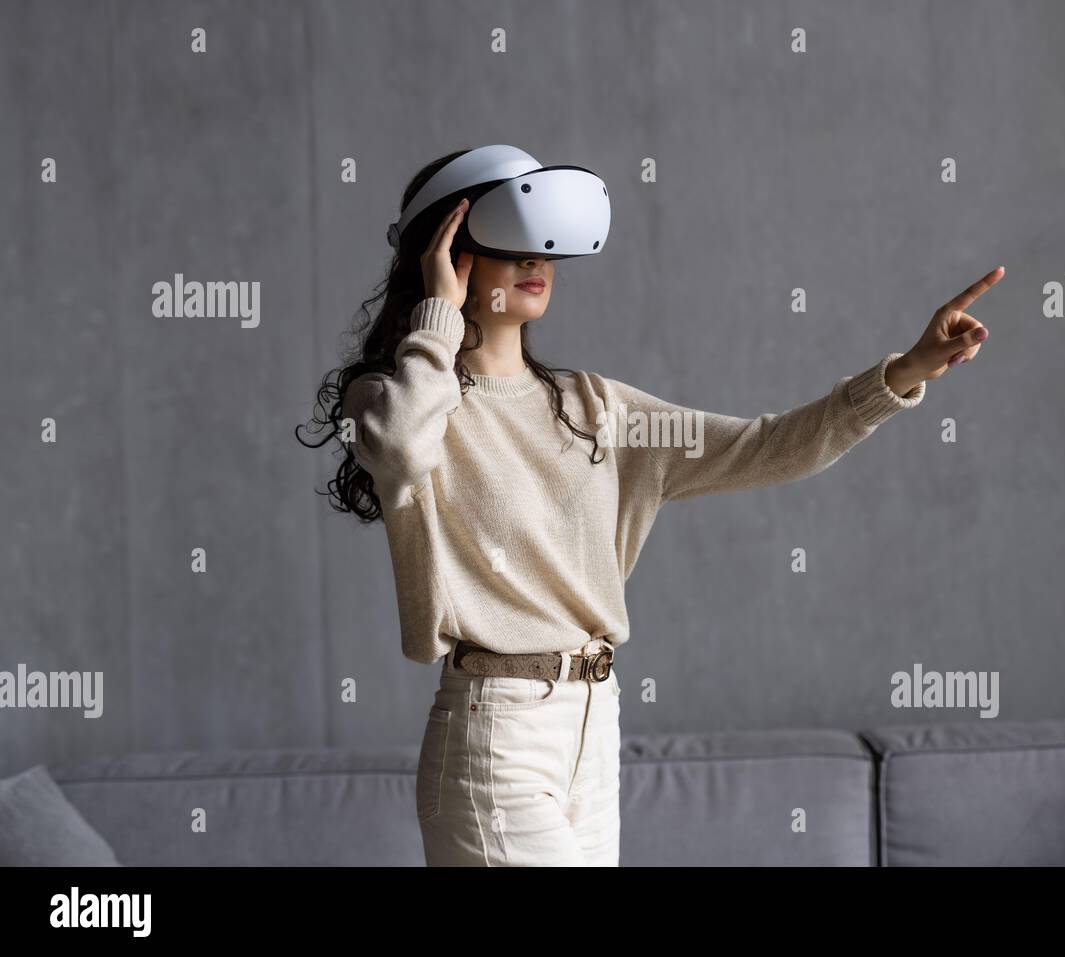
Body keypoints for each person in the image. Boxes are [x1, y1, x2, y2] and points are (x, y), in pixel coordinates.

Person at [299, 148, 1002, 866]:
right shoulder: (395, 399)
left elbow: (771, 446)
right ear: (445, 254)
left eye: (543, 242)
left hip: (595, 726)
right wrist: (438, 316)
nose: (535, 259)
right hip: (495, 732)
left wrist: (905, 371)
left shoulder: (597, 407)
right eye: (505, 242)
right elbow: (403, 445)